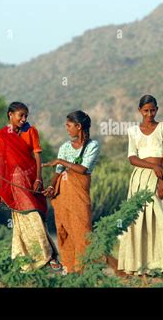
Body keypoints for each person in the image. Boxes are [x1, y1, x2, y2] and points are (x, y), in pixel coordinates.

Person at [117, 95, 163, 278]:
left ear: (157, 109)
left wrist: (161, 179)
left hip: (160, 176)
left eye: (152, 110)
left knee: (162, 219)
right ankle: (139, 266)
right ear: (140, 111)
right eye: (146, 110)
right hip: (140, 178)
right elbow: (132, 158)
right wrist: (152, 166)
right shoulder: (133, 131)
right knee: (138, 221)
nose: (149, 114)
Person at [0, 102, 61, 272]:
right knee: (25, 218)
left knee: (36, 215)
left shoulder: (31, 131)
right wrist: (2, 188)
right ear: (10, 114)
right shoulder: (1, 134)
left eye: (26, 116)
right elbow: (1, 162)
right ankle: (30, 260)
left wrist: (39, 179)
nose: (24, 119)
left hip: (32, 178)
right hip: (15, 183)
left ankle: (48, 255)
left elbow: (38, 157)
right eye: (20, 115)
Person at [42, 110, 100, 273]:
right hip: (62, 194)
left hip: (79, 194)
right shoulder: (65, 147)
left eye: (69, 125)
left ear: (79, 126)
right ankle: (69, 268)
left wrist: (61, 160)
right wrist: (52, 187)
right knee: (63, 231)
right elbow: (58, 172)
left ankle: (85, 268)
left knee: (82, 230)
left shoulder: (92, 145)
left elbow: (83, 169)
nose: (66, 129)